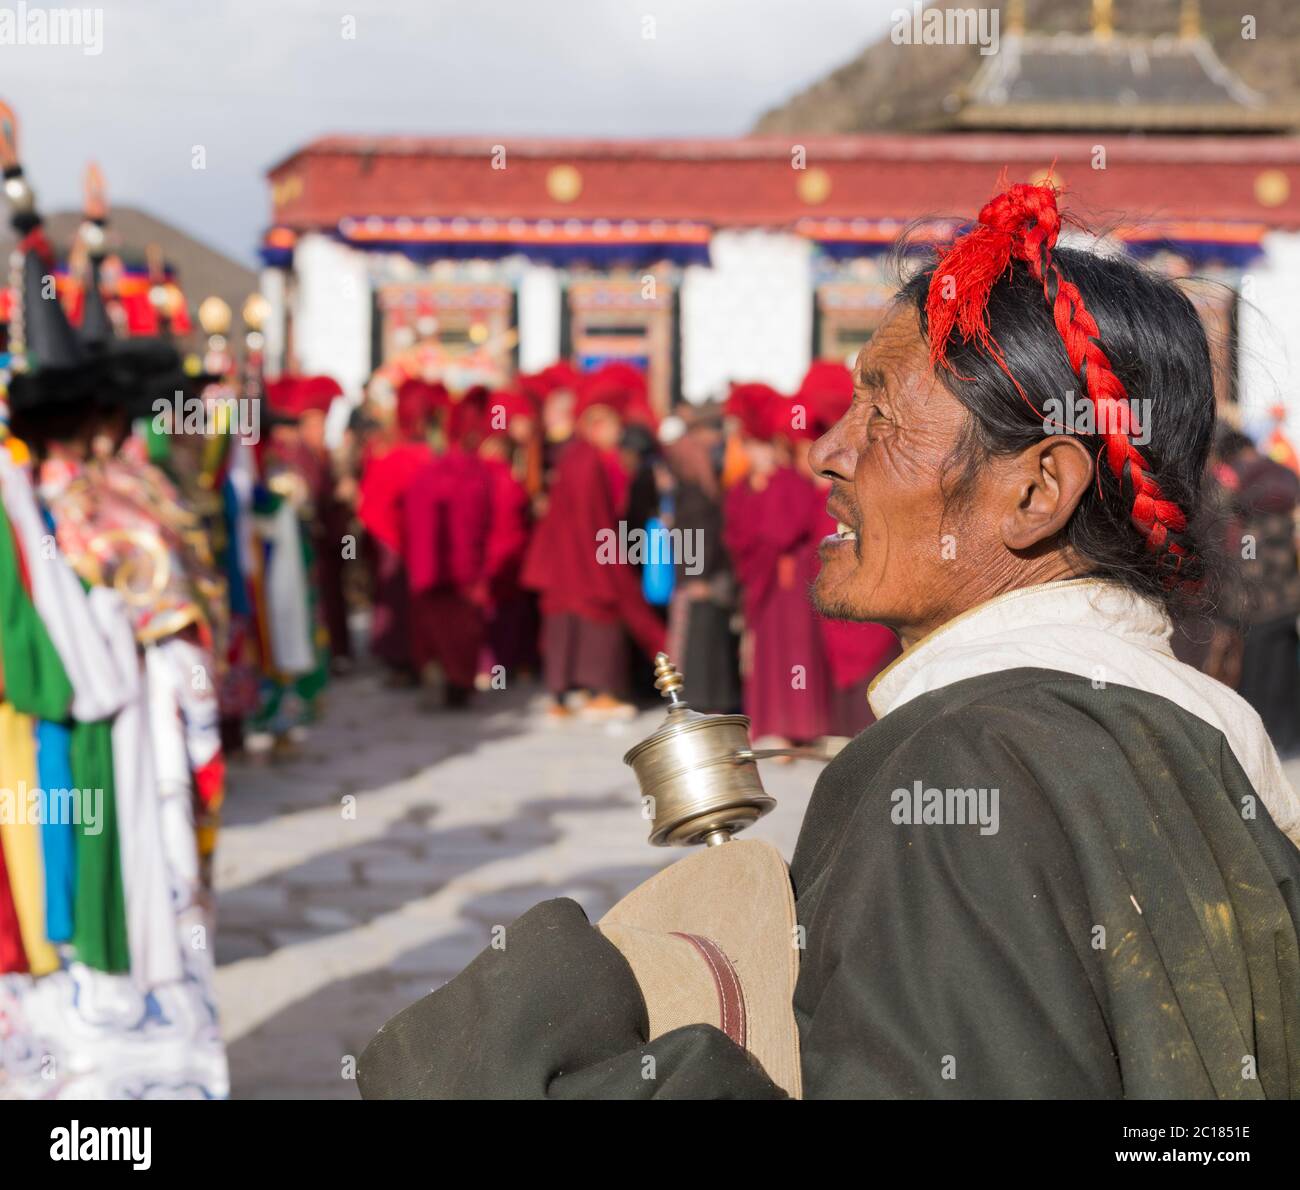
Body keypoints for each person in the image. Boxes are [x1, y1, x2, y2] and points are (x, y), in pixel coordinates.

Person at [359, 179, 1300, 1100]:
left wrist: (539, 1029)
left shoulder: (962, 765)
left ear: (1036, 491)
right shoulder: (1215, 734)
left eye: (882, 415)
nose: (828, 450)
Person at [520, 366, 665, 719]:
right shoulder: (586, 463)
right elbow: (595, 527)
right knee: (601, 620)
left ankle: (568, 693)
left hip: (568, 565)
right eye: (615, 427)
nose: (618, 436)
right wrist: (612, 568)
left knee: (569, 625)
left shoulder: (577, 457)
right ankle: (600, 694)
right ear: (597, 423)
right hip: (585, 565)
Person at [723, 382, 830, 747]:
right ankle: (770, 724)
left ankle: (799, 724)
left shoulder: (788, 481)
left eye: (761, 446)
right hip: (763, 580)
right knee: (766, 651)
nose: (757, 454)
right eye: (750, 447)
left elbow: (792, 525)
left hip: (790, 577)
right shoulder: (743, 487)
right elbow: (736, 531)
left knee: (794, 649)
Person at [1212, 426, 1300, 754]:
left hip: (1256, 607)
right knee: (1285, 673)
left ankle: (1267, 747)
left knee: (1257, 680)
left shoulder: (1241, 489)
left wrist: (1231, 612)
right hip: (1288, 600)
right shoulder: (1283, 478)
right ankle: (1290, 742)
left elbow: (1245, 563)